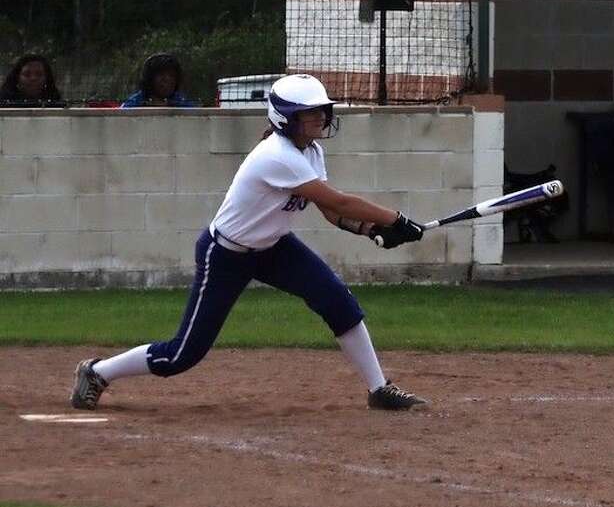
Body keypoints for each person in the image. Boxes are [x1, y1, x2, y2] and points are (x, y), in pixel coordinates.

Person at [72, 74, 428, 412]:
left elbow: (330, 211)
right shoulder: (277, 155)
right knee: (182, 355)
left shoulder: (311, 151)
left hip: (274, 248)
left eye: (322, 110)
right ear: (286, 118)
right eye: (310, 112)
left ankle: (379, 388)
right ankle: (98, 371)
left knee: (337, 301)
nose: (321, 117)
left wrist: (370, 230)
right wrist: (395, 219)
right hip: (226, 254)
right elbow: (338, 201)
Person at [121, 53, 197, 108]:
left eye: (171, 75)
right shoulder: (135, 102)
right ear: (150, 79)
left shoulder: (181, 103)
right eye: (161, 75)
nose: (167, 80)